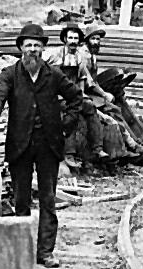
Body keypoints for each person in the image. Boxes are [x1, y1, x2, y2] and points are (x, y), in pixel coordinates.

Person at [0, 22, 84, 268]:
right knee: (21, 201)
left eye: (37, 46)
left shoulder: (53, 74)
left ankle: (46, 252)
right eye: (28, 45)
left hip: (48, 146)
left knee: (48, 200)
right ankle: (23, 251)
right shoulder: (10, 74)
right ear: (20, 48)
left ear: (43, 49)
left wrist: (64, 126)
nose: (32, 50)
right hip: (20, 146)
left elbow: (76, 99)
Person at [46, 23, 111, 164]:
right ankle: (69, 153)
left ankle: (98, 148)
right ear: (65, 39)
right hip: (57, 96)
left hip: (73, 94)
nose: (73, 41)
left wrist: (82, 97)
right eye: (70, 37)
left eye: (76, 38)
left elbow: (82, 80)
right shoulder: (54, 55)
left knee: (90, 107)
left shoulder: (79, 58)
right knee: (71, 113)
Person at [82, 25, 143, 147]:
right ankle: (133, 144)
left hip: (92, 91)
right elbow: (88, 82)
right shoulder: (84, 56)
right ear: (87, 40)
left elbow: (94, 80)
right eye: (93, 39)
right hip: (85, 93)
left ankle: (142, 136)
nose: (96, 42)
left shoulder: (92, 55)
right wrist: (104, 94)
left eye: (98, 39)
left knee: (120, 100)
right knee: (115, 110)